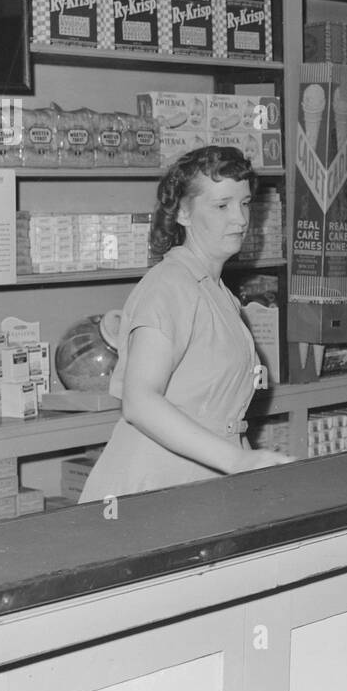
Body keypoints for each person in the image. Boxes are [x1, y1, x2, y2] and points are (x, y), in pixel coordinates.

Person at [78, 147, 292, 504]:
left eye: (245, 203)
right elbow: (139, 401)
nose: (240, 220)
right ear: (182, 212)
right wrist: (238, 460)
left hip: (197, 482)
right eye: (222, 206)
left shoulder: (215, 292)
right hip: (153, 488)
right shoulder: (169, 286)